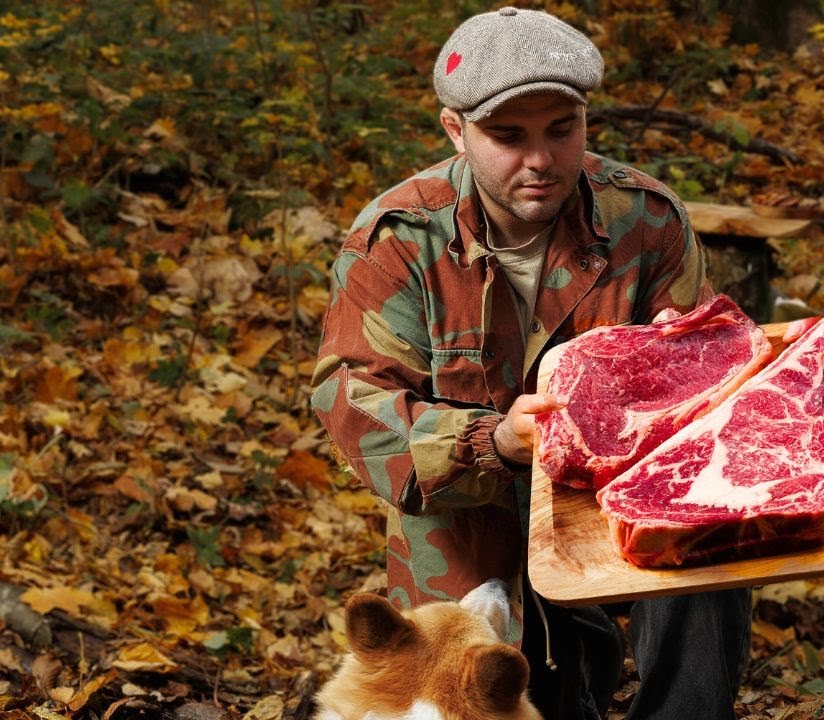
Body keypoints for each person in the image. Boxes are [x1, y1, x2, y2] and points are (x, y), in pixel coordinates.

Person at [310, 7, 751, 719]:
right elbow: (353, 409)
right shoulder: (398, 241)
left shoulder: (646, 220)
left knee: (708, 550)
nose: (540, 160)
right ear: (456, 130)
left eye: (561, 131)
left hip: (611, 506)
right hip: (466, 525)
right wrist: (493, 442)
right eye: (508, 138)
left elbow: (707, 382)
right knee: (486, 700)